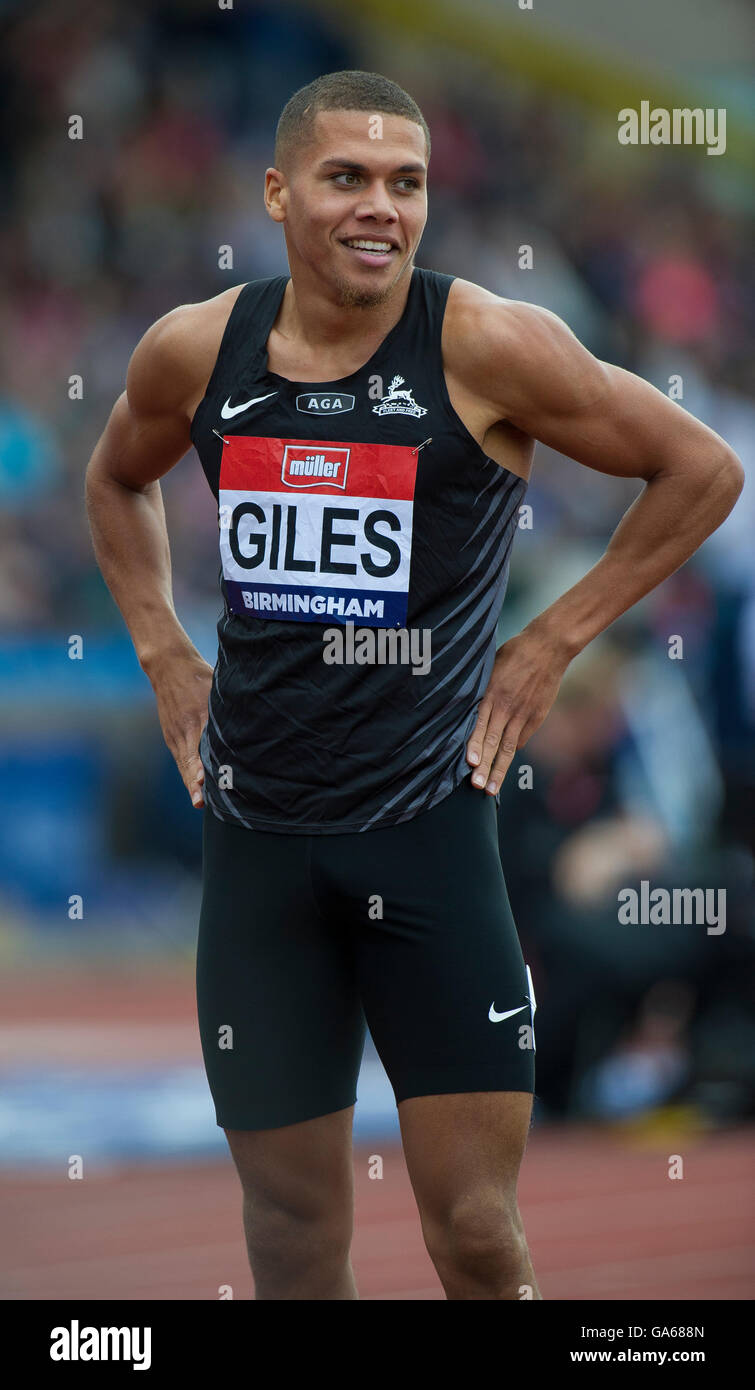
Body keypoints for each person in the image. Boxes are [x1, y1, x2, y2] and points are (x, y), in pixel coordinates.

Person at [85, 69, 743, 1301]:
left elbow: (697, 470)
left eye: (406, 183)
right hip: (259, 846)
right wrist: (163, 646)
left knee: (474, 1234)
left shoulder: (483, 341)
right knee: (286, 1234)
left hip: (428, 840)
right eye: (346, 178)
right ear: (278, 192)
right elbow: (114, 479)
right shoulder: (197, 348)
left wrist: (549, 641)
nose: (379, 206)